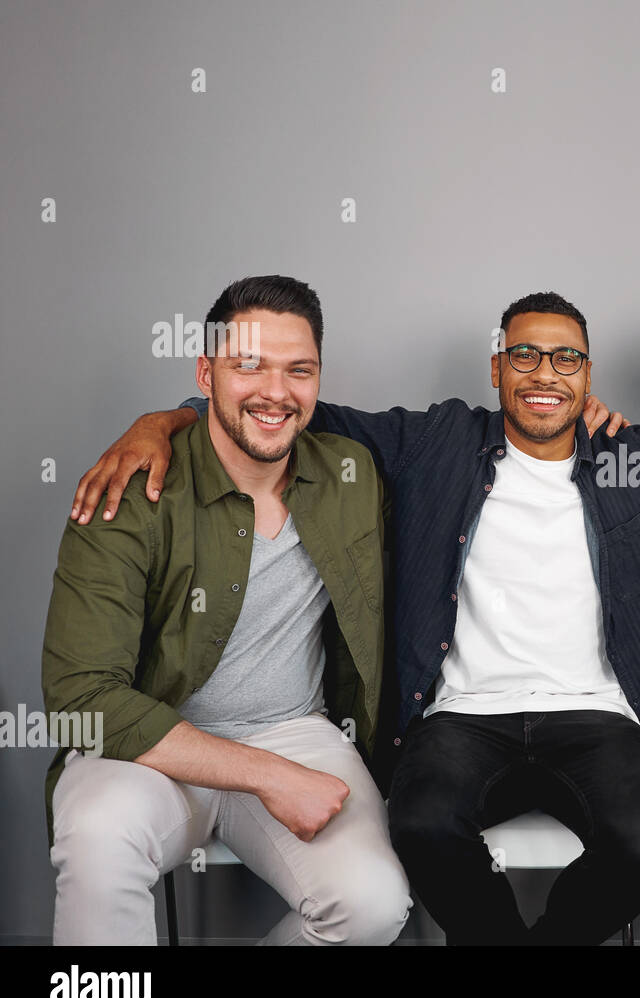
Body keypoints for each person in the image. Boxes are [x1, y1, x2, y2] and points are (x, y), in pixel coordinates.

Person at [69, 291, 640, 944]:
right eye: (525, 354)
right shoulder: (433, 443)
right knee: (418, 823)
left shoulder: (638, 462)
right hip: (461, 720)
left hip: (596, 717)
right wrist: (161, 421)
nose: (545, 372)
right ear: (497, 368)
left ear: (587, 378)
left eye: (566, 357)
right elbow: (283, 414)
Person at [42, 275, 411, 945]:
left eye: (298, 370)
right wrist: (267, 775)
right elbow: (80, 698)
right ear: (206, 373)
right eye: (249, 365)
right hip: (146, 743)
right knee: (96, 842)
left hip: (292, 729)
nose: (276, 390)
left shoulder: (351, 474)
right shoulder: (130, 484)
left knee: (373, 903)